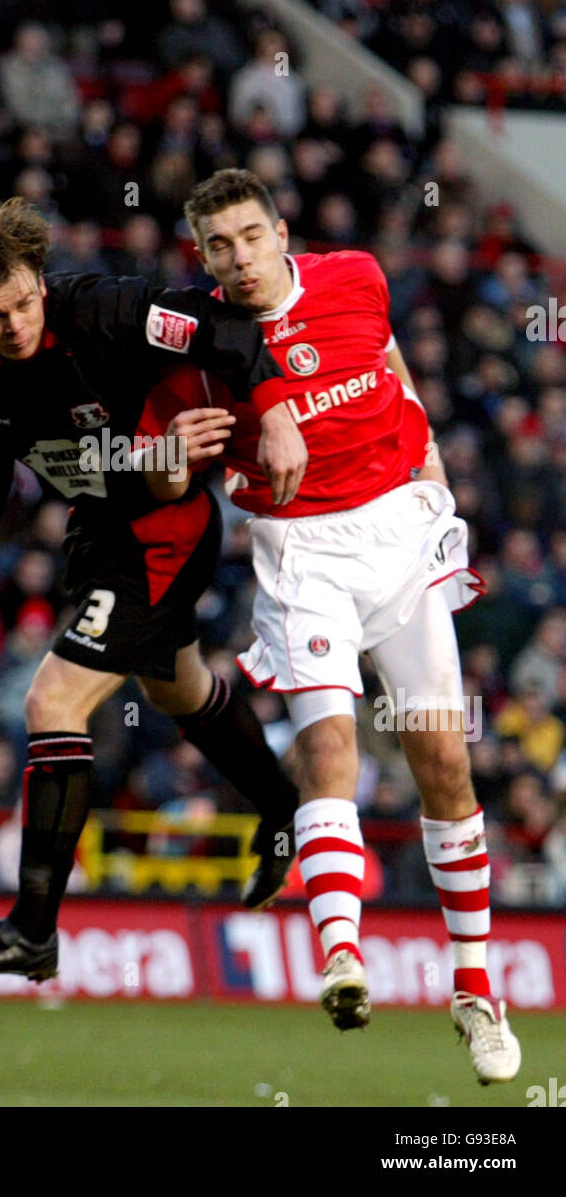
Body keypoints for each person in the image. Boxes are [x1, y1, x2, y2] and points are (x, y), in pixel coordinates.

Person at [138, 168, 520, 1084]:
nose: (238, 260)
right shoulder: (191, 348)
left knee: (445, 762)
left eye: (250, 237)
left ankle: (474, 989)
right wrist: (165, 462)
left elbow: (388, 360)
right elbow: (159, 478)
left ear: (281, 233)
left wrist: (426, 445)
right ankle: (342, 953)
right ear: (202, 257)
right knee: (331, 745)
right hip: (300, 553)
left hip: (397, 529)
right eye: (218, 247)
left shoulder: (355, 276)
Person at [0, 197, 307, 984]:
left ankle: (32, 928)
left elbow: (226, 328)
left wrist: (279, 412)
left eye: (25, 303)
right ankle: (284, 808)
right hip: (100, 528)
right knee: (179, 690)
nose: (16, 325)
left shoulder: (108, 310)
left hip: (166, 529)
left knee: (50, 705)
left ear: (39, 283)